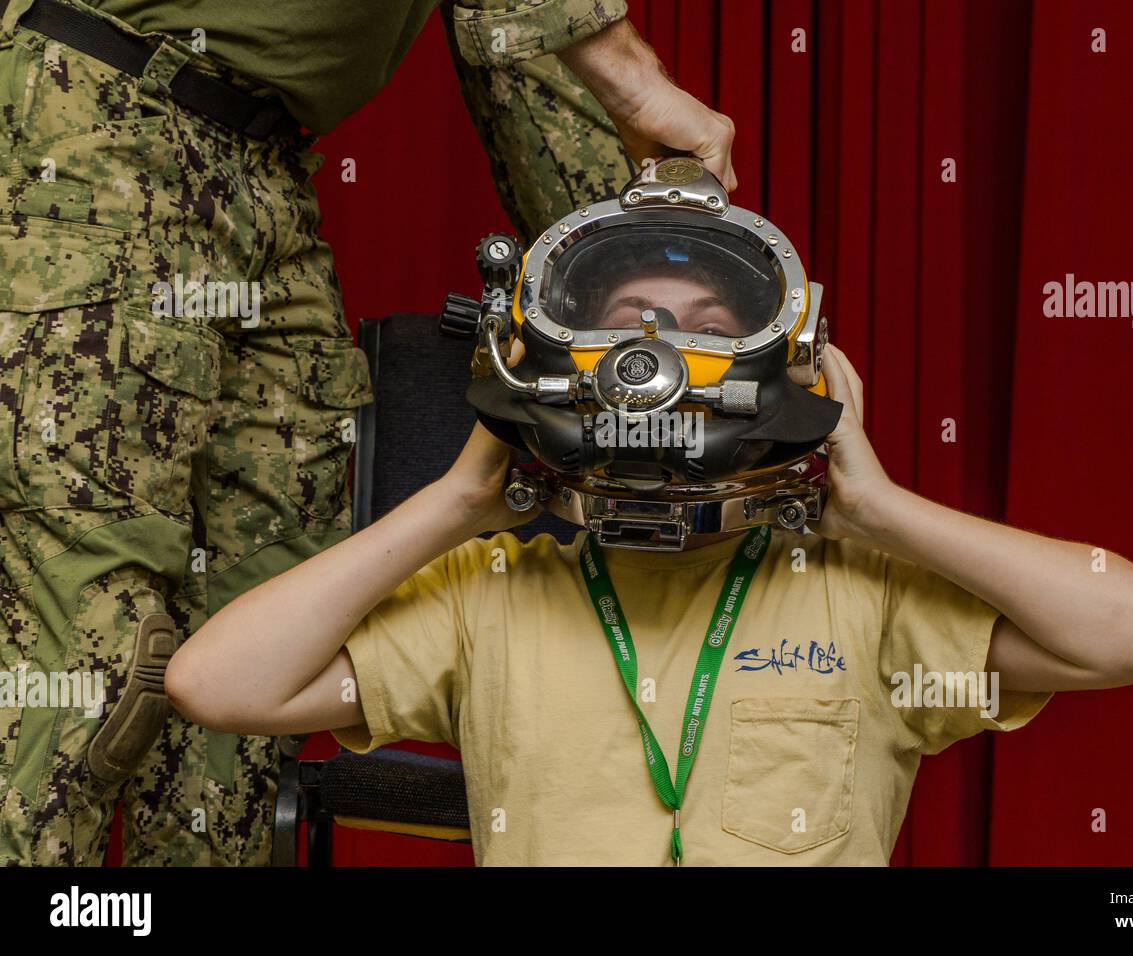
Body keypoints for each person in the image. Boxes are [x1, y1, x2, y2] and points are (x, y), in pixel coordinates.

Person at [166, 160, 1133, 863]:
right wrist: (456, 501)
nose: (664, 352)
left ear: (792, 361)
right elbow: (215, 683)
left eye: (708, 327)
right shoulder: (486, 594)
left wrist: (877, 509)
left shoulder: (866, 596)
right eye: (633, 325)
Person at [0, 0, 735, 865]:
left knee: (258, 644)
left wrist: (656, 300)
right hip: (100, 121)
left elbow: (517, 49)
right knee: (91, 640)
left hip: (266, 167)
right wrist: (632, 73)